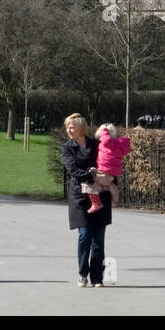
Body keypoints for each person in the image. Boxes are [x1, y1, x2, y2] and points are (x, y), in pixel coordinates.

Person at [61, 113, 111, 286]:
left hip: (100, 194)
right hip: (80, 197)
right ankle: (83, 274)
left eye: (72, 127)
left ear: (80, 128)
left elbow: (107, 163)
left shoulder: (97, 145)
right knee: (84, 235)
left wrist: (109, 179)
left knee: (98, 240)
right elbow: (72, 170)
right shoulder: (67, 147)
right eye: (67, 127)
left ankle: (97, 278)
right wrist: (91, 174)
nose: (68, 130)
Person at [85, 122, 130, 214]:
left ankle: (96, 203)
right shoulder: (118, 144)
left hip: (105, 170)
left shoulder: (108, 143)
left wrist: (103, 130)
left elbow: (106, 140)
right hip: (111, 172)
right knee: (108, 183)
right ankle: (115, 197)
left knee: (89, 183)